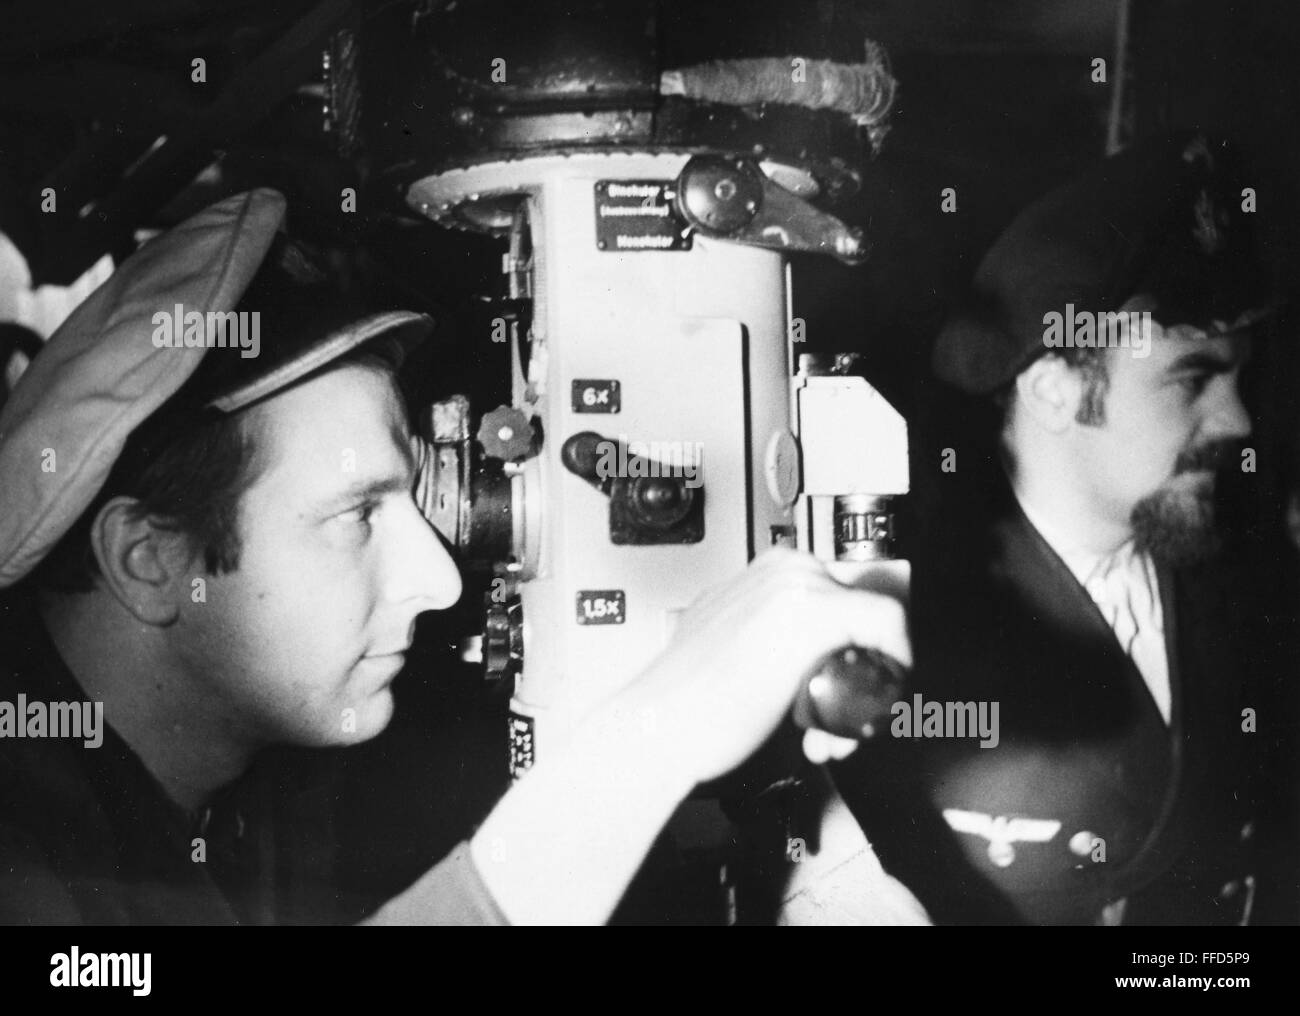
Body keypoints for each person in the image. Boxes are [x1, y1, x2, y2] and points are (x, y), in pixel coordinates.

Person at [0, 189, 910, 925]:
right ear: (150, 560)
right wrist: (649, 745)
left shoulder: (263, 800)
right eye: (357, 514)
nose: (440, 584)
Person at [832, 133, 1299, 925]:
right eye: (1192, 379)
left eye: (1241, 376)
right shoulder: (894, 631)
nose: (1239, 419)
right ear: (1053, 389)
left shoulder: (1259, 586)